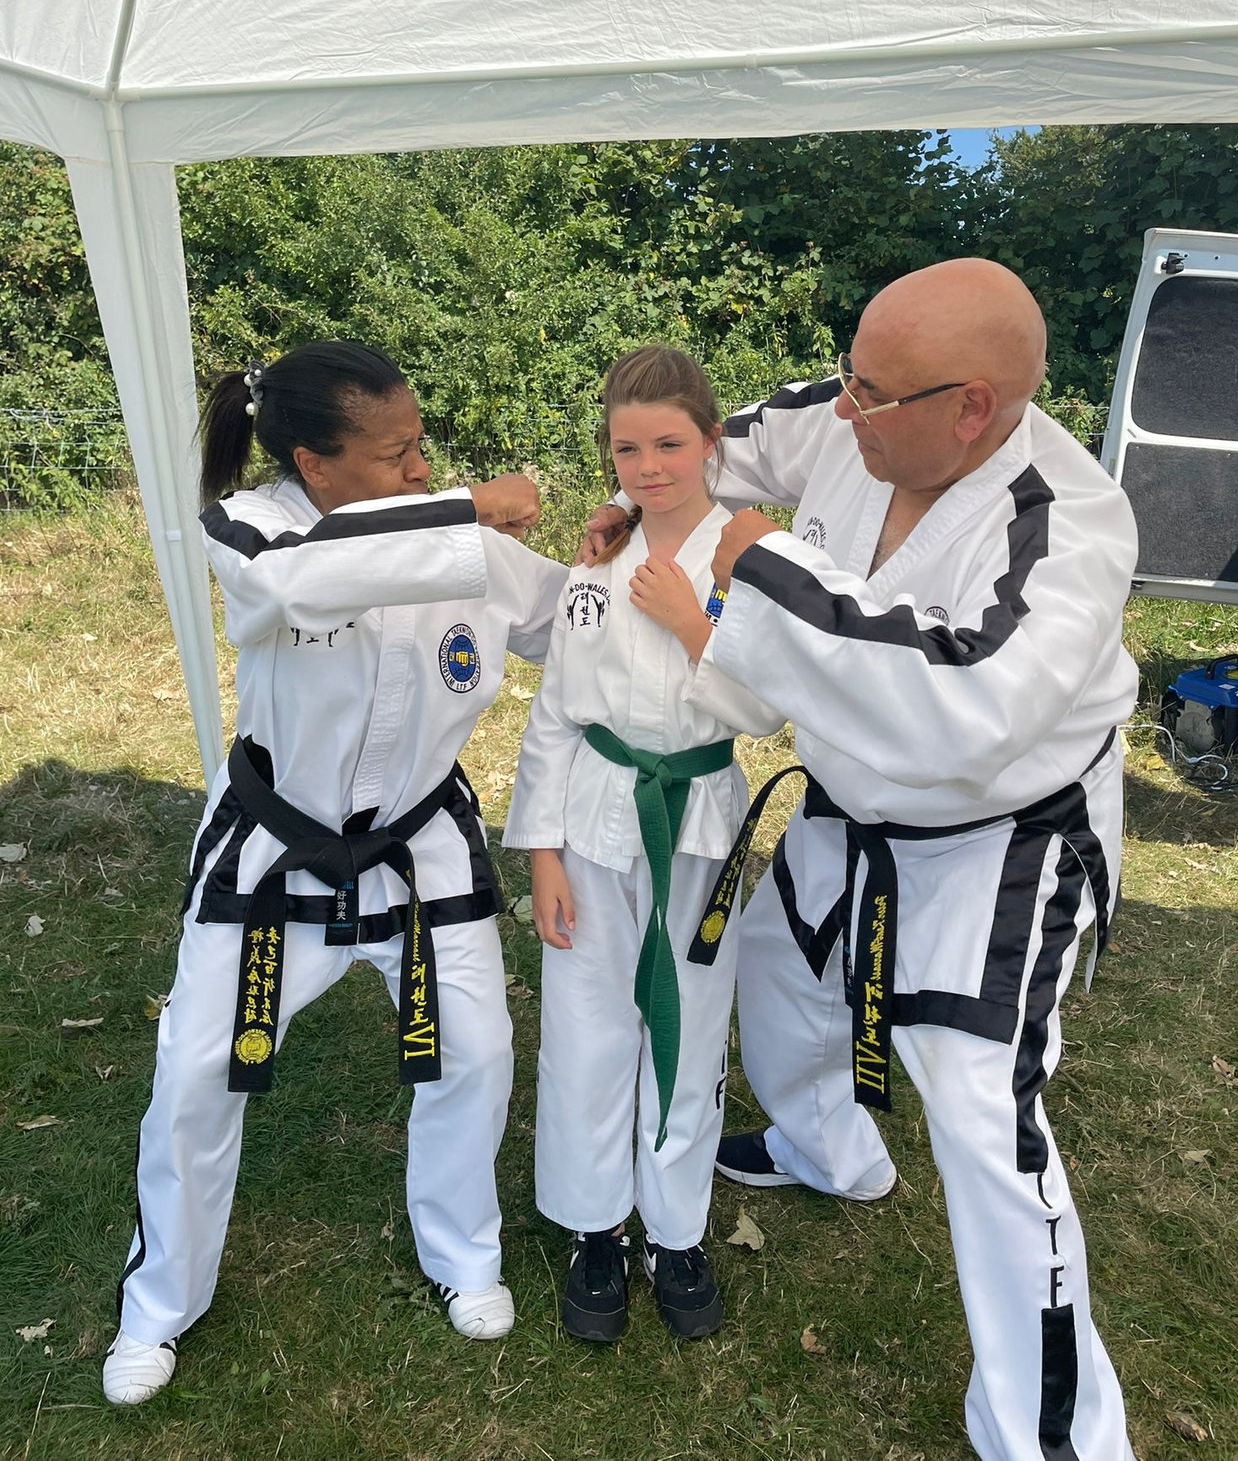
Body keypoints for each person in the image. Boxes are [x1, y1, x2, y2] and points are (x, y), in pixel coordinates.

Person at [584, 261, 1139, 1460]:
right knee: (779, 978)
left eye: (871, 392)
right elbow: (706, 441)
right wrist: (643, 501)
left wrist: (764, 563)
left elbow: (968, 705)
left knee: (980, 1111)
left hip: (999, 834)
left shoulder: (1066, 523)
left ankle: (1051, 1432)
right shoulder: (848, 416)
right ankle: (823, 1147)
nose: (842, 406)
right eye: (847, 373)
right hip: (848, 799)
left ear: (971, 406)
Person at [103, 340, 568, 1407]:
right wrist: (462, 508)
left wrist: (637, 542)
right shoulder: (251, 531)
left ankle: (464, 1254)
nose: (421, 468)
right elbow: (303, 579)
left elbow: (577, 619)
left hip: (418, 841)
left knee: (474, 1053)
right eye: (396, 453)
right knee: (197, 1073)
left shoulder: (464, 544)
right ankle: (158, 1305)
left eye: (422, 446)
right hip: (278, 847)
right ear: (314, 464)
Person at [502, 346, 782, 1344]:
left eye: (668, 443)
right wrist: (539, 850)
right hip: (592, 817)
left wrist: (695, 628)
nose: (648, 466)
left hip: (697, 817)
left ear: (710, 441)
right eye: (627, 449)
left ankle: (675, 1230)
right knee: (588, 1022)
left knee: (691, 1023)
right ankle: (595, 1225)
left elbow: (769, 705)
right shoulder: (595, 564)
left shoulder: (746, 558)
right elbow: (555, 713)